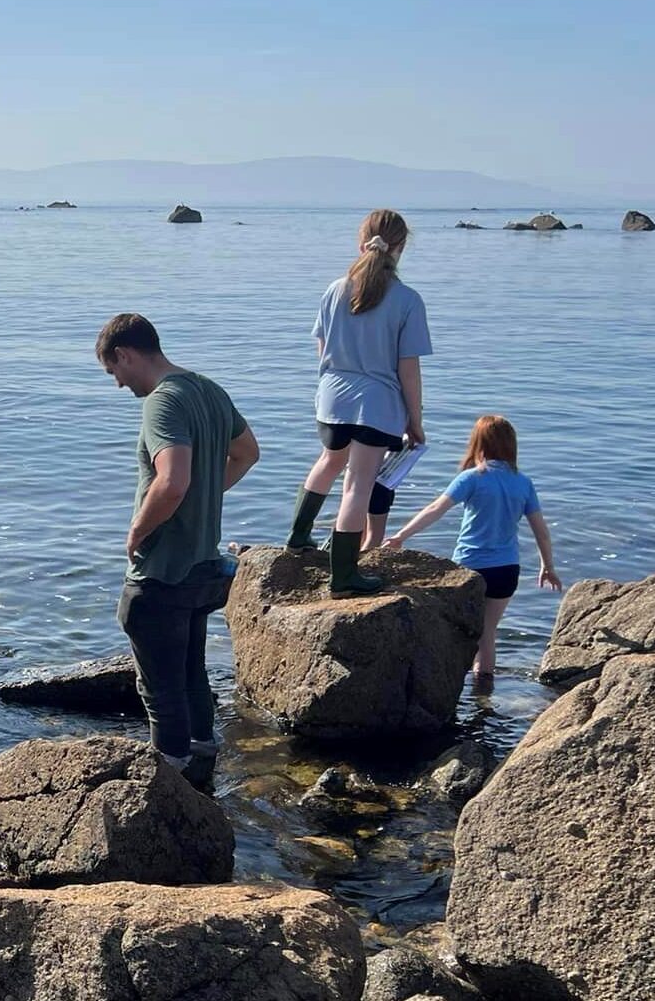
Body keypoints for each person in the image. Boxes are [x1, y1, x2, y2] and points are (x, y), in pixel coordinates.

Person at [97, 313, 259, 785]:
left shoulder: (162, 403)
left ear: (125, 354)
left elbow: (171, 482)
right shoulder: (208, 389)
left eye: (114, 372)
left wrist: (137, 531)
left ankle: (167, 783)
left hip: (162, 568)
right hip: (202, 567)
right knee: (192, 675)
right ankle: (202, 766)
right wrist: (206, 498)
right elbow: (248, 453)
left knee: (159, 690)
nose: (118, 384)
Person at [286, 208, 432, 597]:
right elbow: (408, 370)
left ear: (361, 240)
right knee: (358, 484)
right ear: (400, 248)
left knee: (329, 462)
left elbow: (323, 348)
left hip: (331, 399)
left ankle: (298, 538)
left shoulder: (335, 289)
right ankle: (344, 576)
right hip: (377, 404)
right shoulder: (407, 300)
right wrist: (414, 420)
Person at [384, 415, 560, 685]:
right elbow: (541, 530)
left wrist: (399, 536)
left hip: (470, 566)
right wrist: (547, 566)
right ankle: (483, 694)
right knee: (487, 632)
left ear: (478, 443)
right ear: (511, 445)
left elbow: (435, 510)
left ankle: (451, 687)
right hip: (507, 569)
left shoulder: (472, 478)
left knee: (458, 632)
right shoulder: (523, 483)